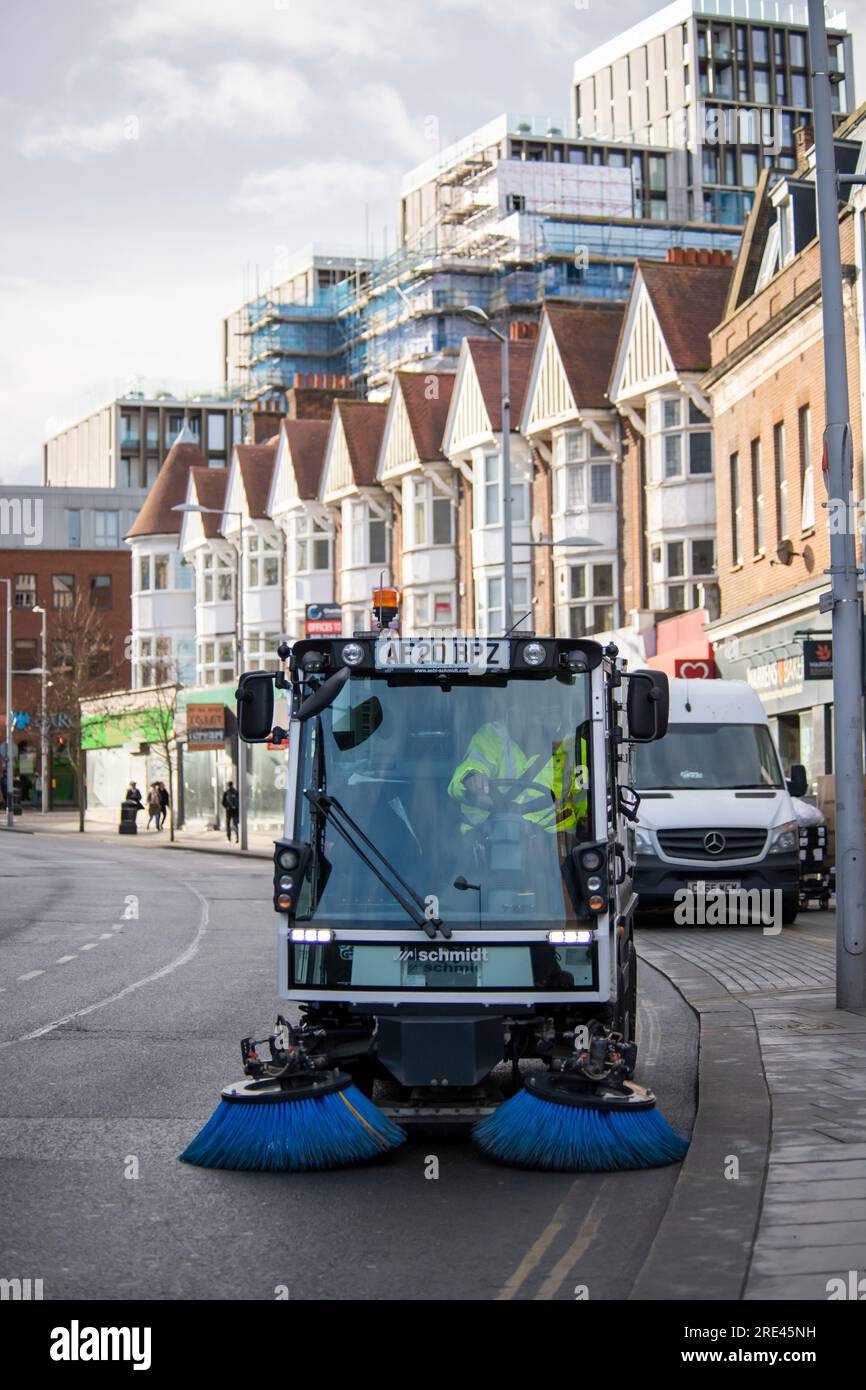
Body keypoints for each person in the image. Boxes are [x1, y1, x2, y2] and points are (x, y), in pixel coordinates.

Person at [448, 707, 589, 836]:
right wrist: (472, 776)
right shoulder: (492, 735)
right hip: (483, 839)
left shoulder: (573, 748)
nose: (533, 718)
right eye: (523, 706)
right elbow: (473, 765)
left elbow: (585, 805)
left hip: (549, 847)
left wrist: (584, 828)